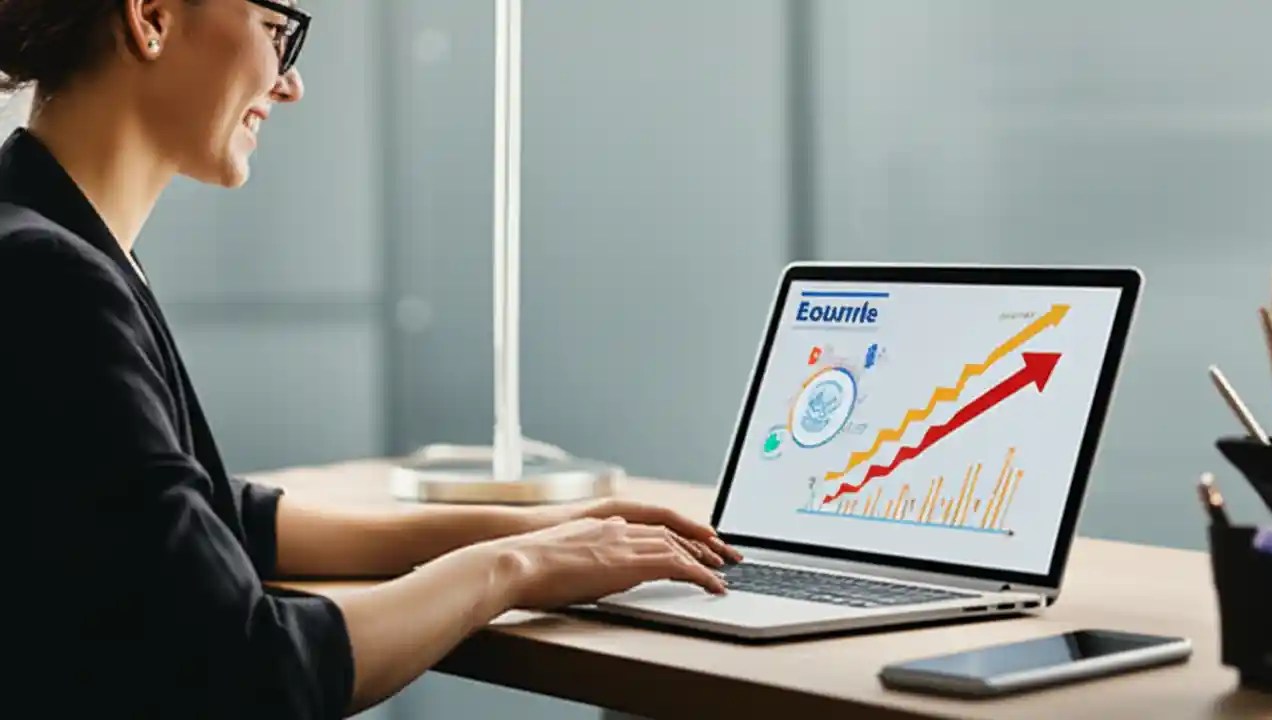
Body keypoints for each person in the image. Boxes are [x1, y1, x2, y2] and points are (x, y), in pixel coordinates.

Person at [0, 1, 739, 717]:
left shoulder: (50, 242)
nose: (290, 83)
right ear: (152, 17)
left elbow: (210, 518)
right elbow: (251, 668)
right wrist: (515, 568)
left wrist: (540, 530)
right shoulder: (51, 281)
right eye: (274, 29)